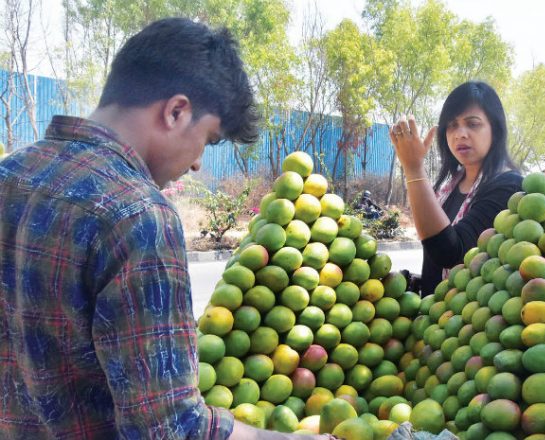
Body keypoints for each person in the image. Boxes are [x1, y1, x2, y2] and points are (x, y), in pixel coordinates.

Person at [0, 18, 328, 440]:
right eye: (208, 140)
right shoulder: (139, 216)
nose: (196, 164)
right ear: (177, 111)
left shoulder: (10, 175)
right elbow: (171, 428)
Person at [390, 81, 523, 296]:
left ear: (495, 130)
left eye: (473, 123)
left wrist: (413, 169)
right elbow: (435, 260)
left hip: (470, 324)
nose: (460, 134)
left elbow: (451, 254)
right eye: (452, 125)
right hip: (435, 319)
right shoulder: (447, 188)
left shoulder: (509, 187)